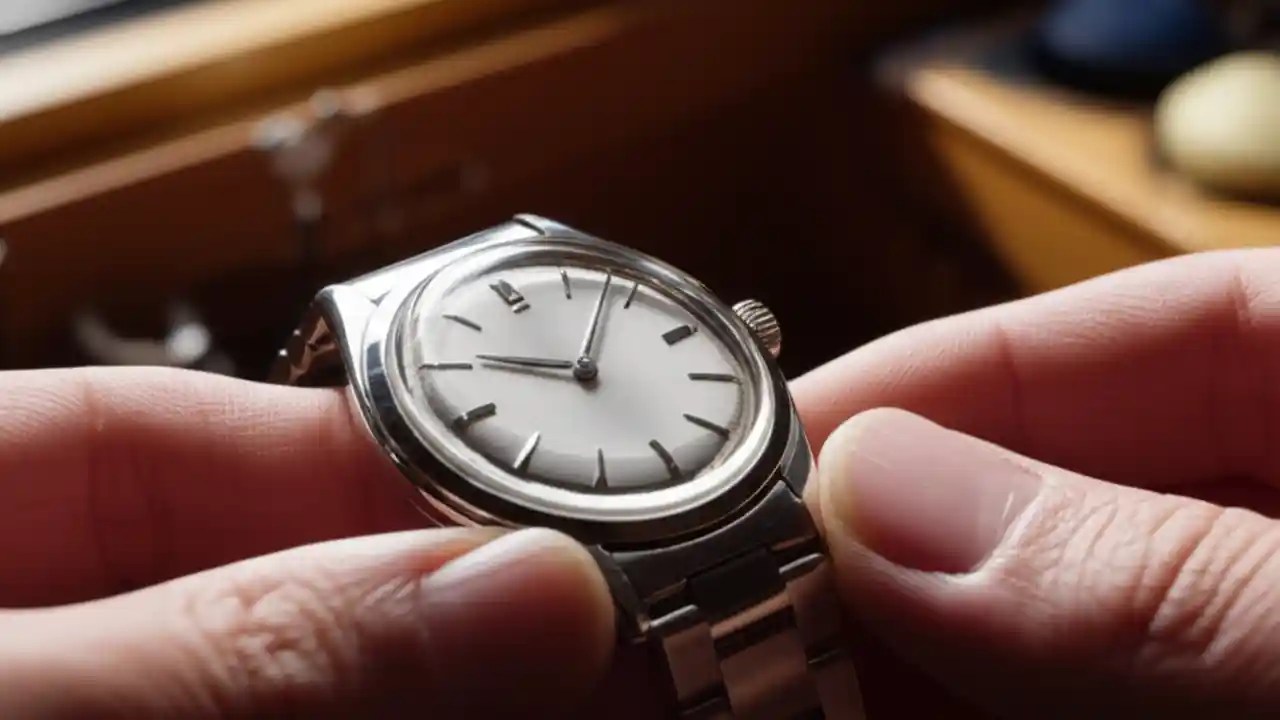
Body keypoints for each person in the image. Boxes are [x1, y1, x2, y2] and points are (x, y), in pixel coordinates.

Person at [1, 248, 1276, 719]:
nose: (581, 365)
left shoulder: (599, 295)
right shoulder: (410, 353)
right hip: (637, 545)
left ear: (740, 336)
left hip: (740, 492)